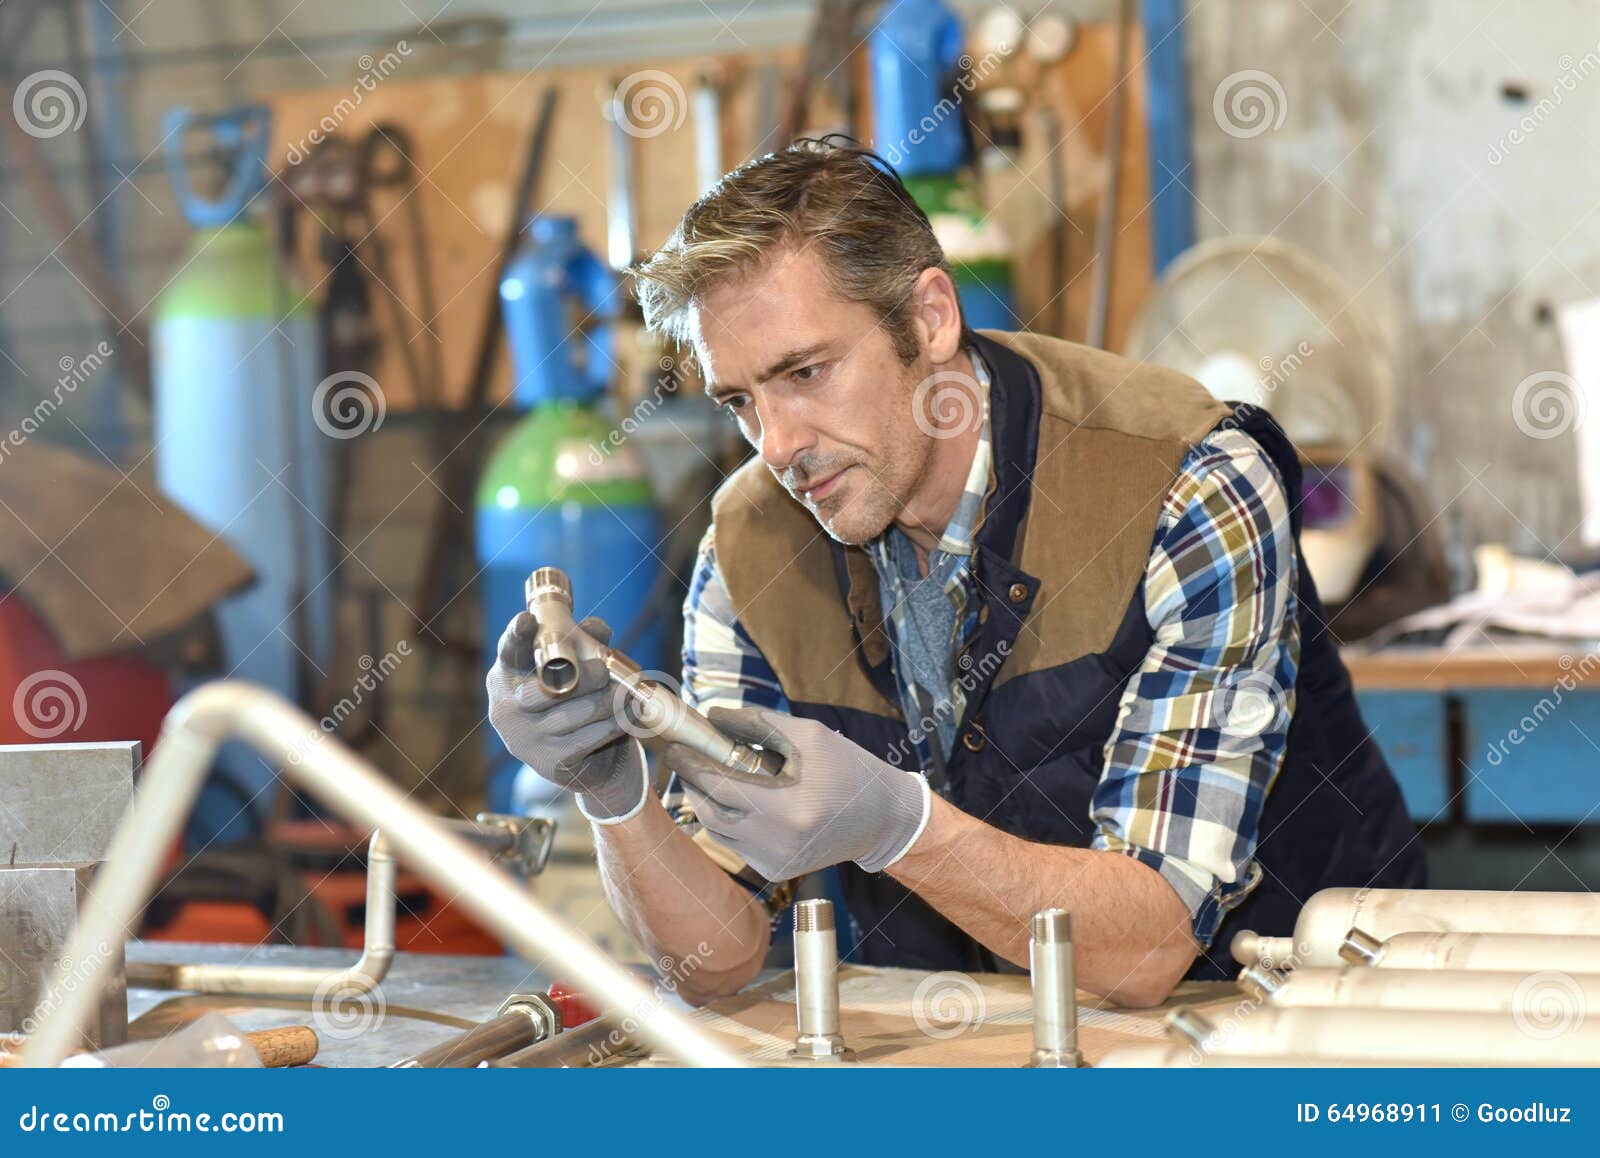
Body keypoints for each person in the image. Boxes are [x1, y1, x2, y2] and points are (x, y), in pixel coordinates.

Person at [487, 139, 1424, 1008]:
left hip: (1304, 1021)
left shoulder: (1186, 483)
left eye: (807, 373)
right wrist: (613, 790)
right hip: (990, 1047)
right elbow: (717, 959)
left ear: (930, 317)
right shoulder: (749, 548)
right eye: (740, 401)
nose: (776, 447)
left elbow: (1147, 945)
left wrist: (897, 825)